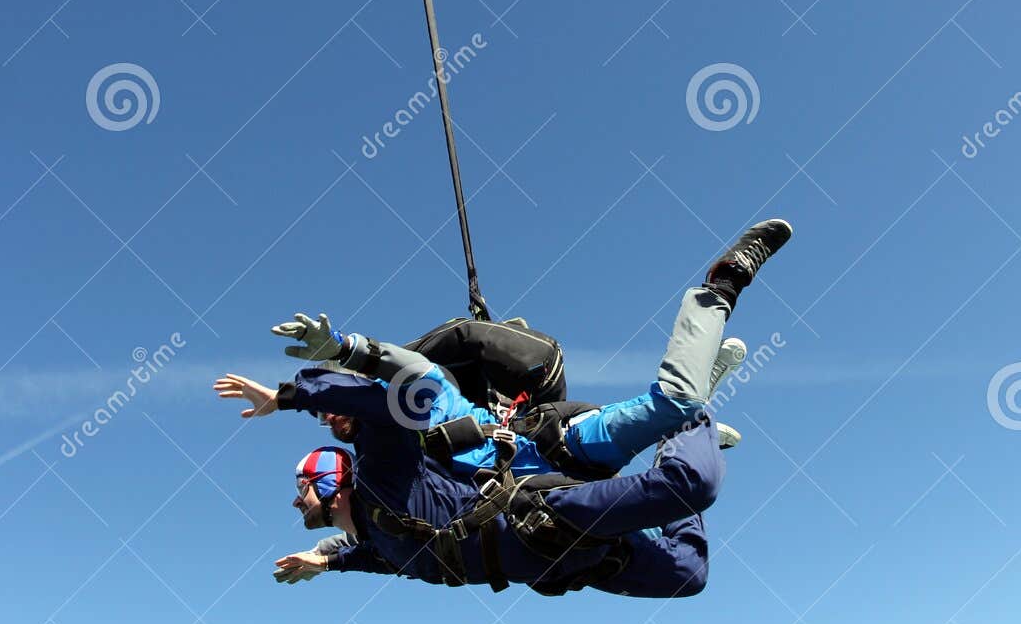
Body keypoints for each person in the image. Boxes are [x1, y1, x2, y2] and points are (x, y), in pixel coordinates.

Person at [214, 219, 791, 597]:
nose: (295, 498)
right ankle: (691, 425)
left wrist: (305, 383)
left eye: (303, 484)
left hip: (547, 467)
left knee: (688, 456)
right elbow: (375, 558)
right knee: (686, 574)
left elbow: (400, 387)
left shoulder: (383, 474)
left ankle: (717, 299)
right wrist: (324, 561)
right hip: (556, 554)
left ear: (337, 479)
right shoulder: (381, 541)